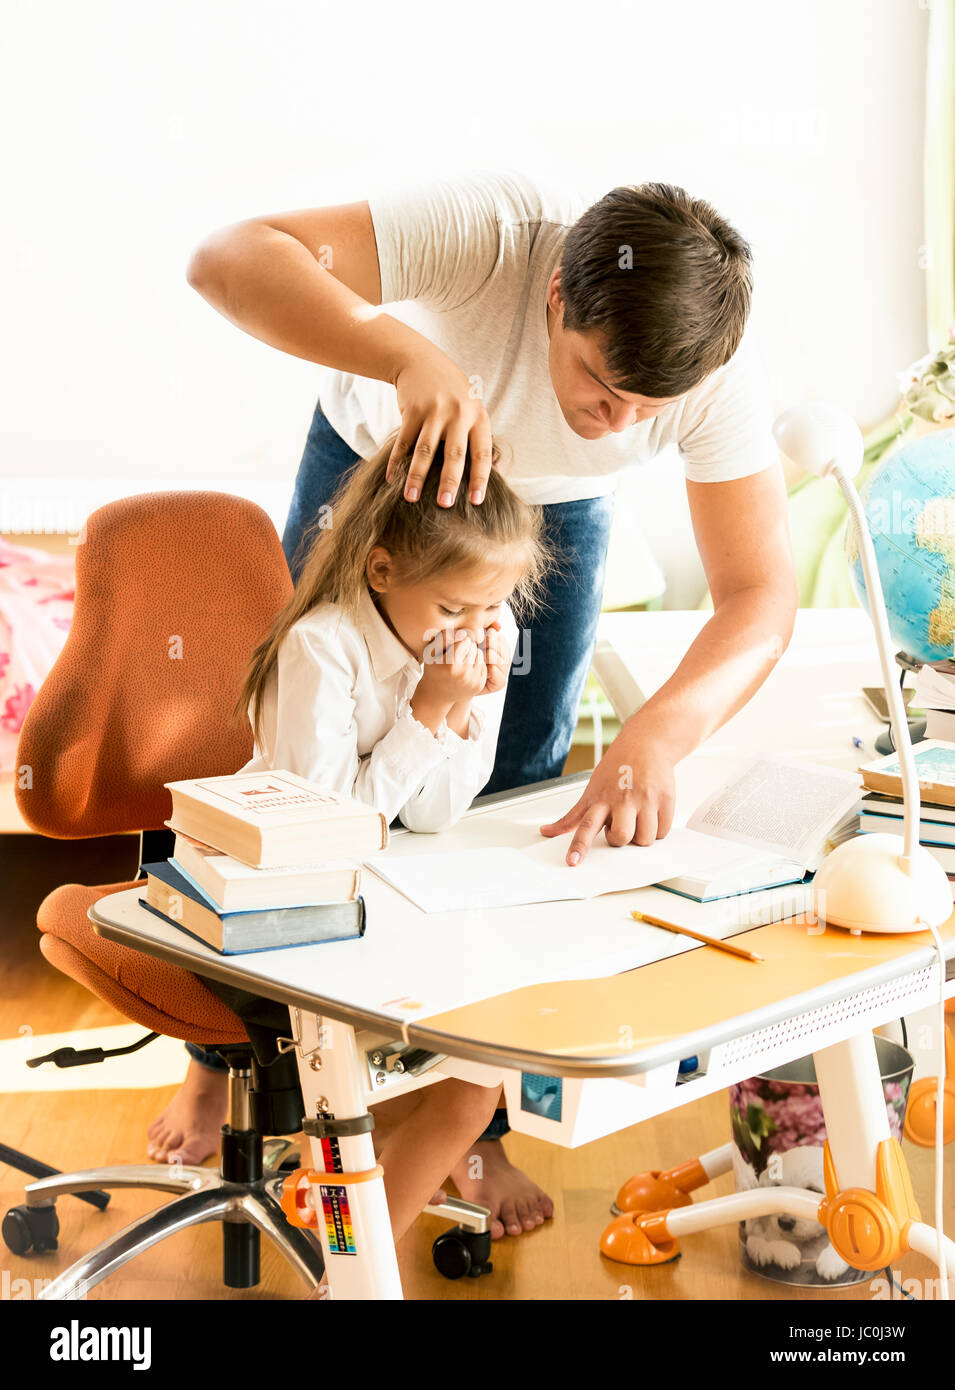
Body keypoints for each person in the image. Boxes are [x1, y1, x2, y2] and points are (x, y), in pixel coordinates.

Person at [163, 169, 798, 1234]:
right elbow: (224, 255)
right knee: (284, 788)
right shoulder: (489, 233)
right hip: (381, 455)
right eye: (601, 386)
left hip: (547, 518)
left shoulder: (713, 387)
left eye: (652, 410)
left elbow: (760, 598)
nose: (618, 425)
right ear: (554, 297)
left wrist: (657, 733)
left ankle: (465, 1120)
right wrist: (405, 357)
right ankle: (219, 1063)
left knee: (512, 789)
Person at [149, 431, 556, 1241]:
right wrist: (428, 711)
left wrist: (449, 706)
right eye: (451, 609)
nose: (471, 632)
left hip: (382, 900)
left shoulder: (484, 639)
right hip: (274, 909)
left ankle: (351, 1261)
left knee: (481, 1077)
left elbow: (436, 814)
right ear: (381, 572)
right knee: (395, 1086)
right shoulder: (320, 650)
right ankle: (349, 1262)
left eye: (492, 609)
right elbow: (329, 836)